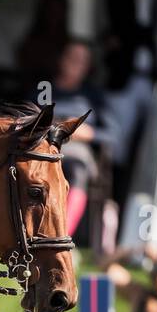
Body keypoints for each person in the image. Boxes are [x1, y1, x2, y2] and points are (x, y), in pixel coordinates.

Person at [102, 0, 157, 173]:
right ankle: (115, 205)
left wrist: (131, 34)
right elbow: (125, 30)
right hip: (125, 76)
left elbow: (143, 32)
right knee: (116, 148)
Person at [45, 38, 117, 240]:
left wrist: (89, 133)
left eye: (83, 60)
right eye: (73, 58)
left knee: (78, 170)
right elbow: (27, 118)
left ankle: (61, 237)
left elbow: (113, 134)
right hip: (46, 145)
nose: (77, 63)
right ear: (61, 59)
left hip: (77, 150)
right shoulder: (45, 88)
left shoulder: (93, 96)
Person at [16, 0, 70, 94]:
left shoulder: (68, 42)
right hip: (36, 92)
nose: (55, 15)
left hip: (65, 93)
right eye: (51, 10)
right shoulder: (31, 43)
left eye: (59, 11)